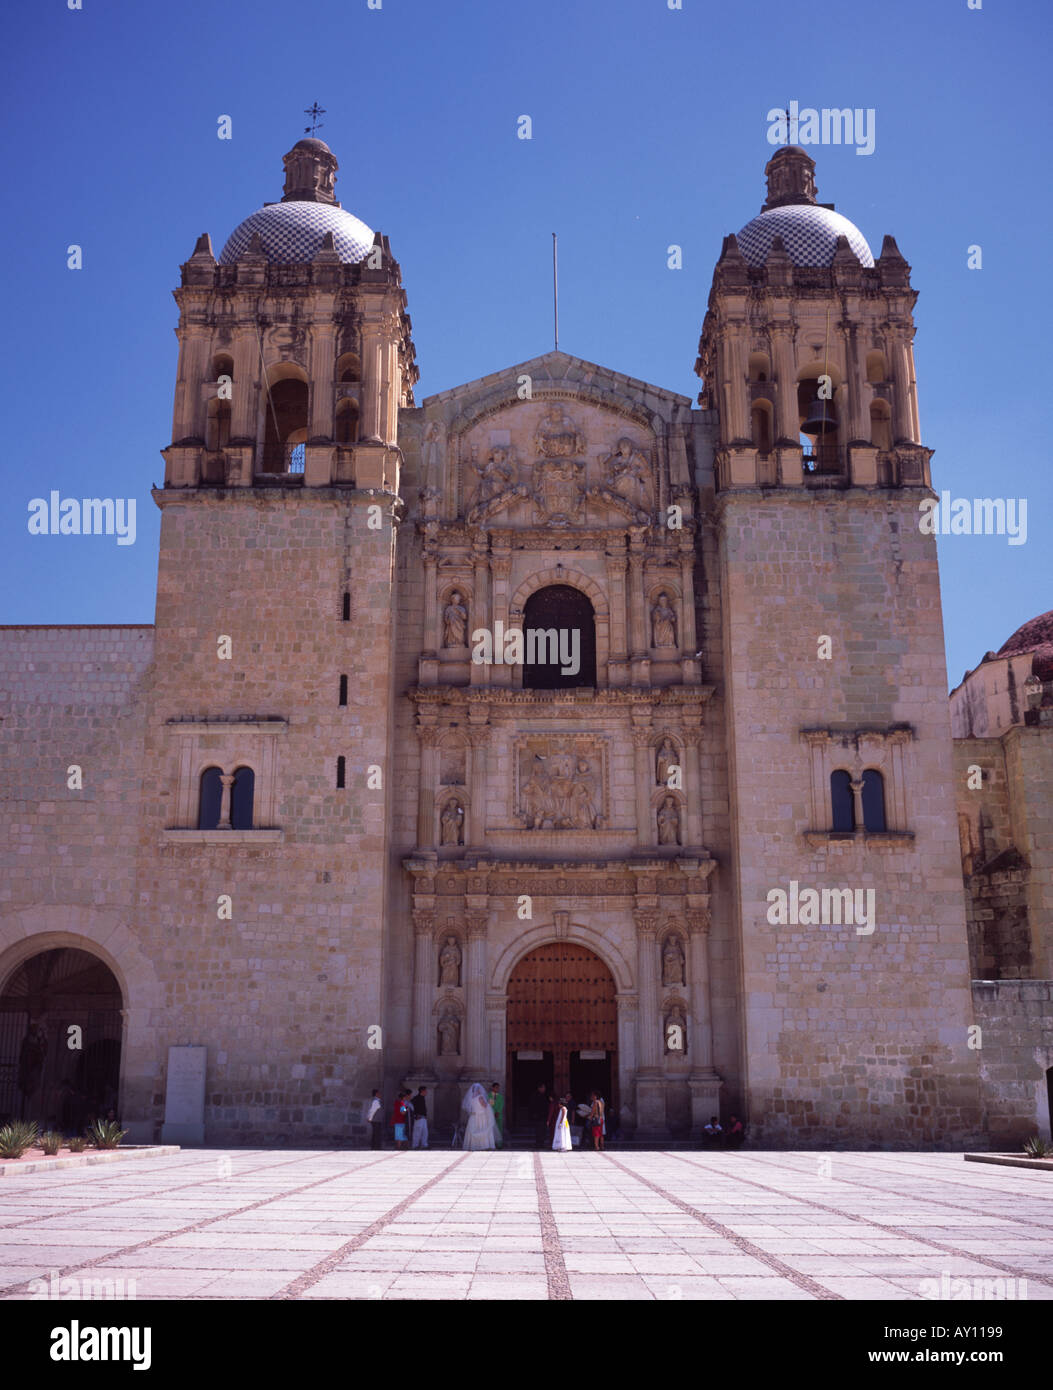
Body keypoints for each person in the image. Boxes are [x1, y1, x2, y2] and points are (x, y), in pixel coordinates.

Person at [462, 1082, 498, 1150]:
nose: (480, 1090)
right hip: (481, 1117)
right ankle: (483, 1145)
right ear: (478, 1090)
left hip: (473, 1117)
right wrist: (489, 1105)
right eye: (479, 1089)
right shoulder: (480, 1097)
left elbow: (469, 1108)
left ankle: (473, 1145)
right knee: (482, 1128)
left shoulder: (471, 1098)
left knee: (474, 1130)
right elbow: (485, 1106)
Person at [529, 1082, 550, 1150]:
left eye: (544, 1087)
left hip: (544, 1116)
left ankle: (542, 1143)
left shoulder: (545, 1095)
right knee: (538, 1130)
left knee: (543, 1130)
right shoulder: (534, 1095)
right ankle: (538, 1143)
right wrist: (534, 1114)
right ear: (539, 1088)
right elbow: (532, 1106)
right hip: (538, 1116)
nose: (544, 1089)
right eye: (543, 1087)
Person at [488, 1082, 504, 1148]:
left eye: (498, 1087)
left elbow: (501, 1105)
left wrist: (498, 1112)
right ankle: (492, 1144)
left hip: (499, 1115)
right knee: (492, 1129)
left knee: (499, 1129)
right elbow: (490, 1105)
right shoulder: (489, 1096)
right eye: (496, 1087)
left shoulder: (501, 1097)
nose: (497, 1089)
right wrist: (493, 1112)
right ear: (493, 1087)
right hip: (491, 1115)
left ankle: (499, 1144)